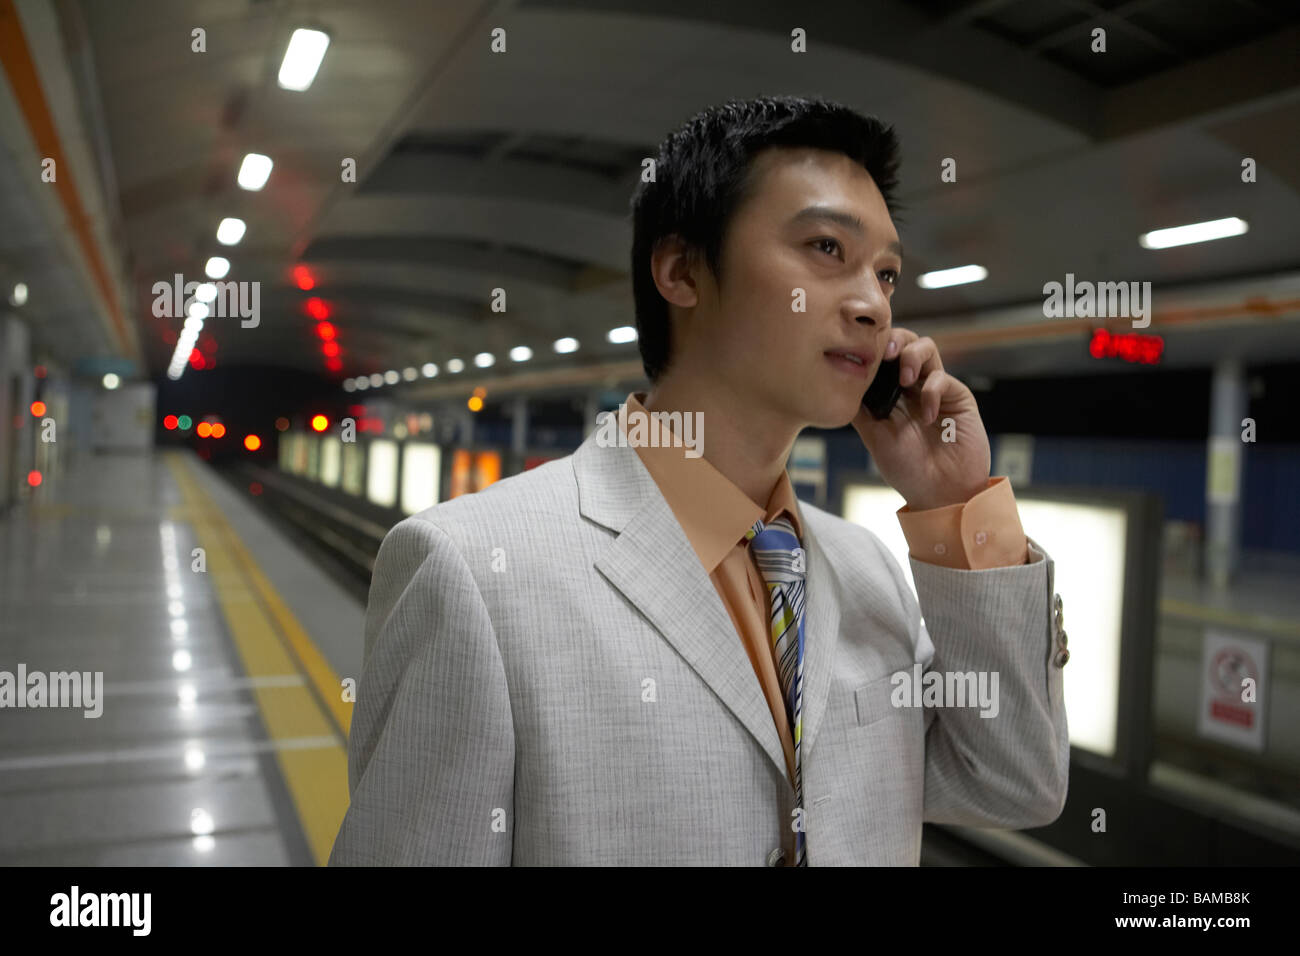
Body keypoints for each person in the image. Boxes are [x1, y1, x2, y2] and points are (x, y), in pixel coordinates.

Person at [329, 94, 1069, 867]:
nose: (871, 303)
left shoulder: (870, 570)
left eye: (886, 274)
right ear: (681, 270)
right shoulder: (475, 573)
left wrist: (953, 504)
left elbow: (1014, 783)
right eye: (826, 248)